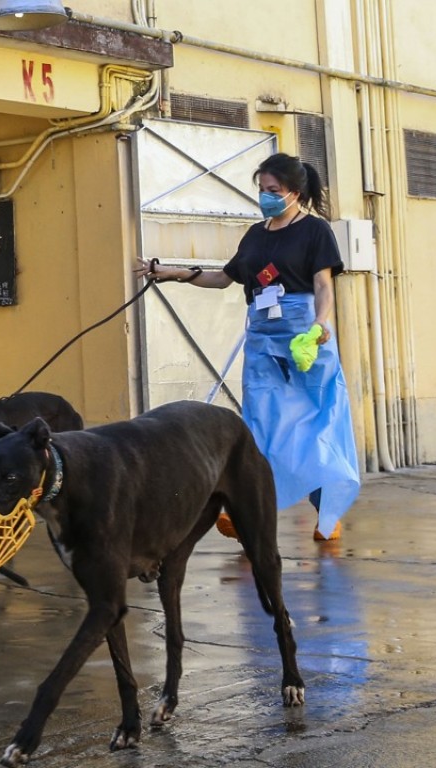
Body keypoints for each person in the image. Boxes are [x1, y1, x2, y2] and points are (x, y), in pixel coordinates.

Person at [135, 152, 360, 543]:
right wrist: (171, 273)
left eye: (273, 190)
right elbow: (224, 277)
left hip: (304, 340)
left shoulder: (315, 231)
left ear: (294, 191)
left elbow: (323, 285)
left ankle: (327, 512)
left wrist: (321, 323)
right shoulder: (256, 236)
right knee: (260, 430)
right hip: (262, 341)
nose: (266, 197)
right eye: (261, 190)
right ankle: (246, 515)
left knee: (310, 428)